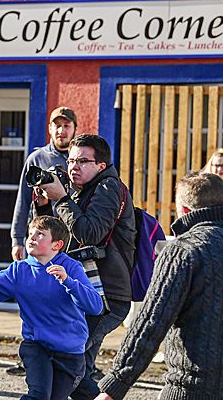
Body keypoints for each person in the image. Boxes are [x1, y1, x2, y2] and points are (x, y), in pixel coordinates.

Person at [95, 172, 223, 400]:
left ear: (184, 210)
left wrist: (115, 383)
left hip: (190, 387)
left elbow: (151, 322)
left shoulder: (183, 251)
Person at [34, 134, 135, 400]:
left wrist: (61, 200)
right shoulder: (82, 191)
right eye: (70, 160)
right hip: (85, 291)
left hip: (106, 295)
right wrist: (45, 205)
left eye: (82, 161)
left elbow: (89, 233)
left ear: (101, 165)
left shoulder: (108, 188)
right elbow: (56, 239)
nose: (73, 167)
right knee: (80, 368)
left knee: (68, 361)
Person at [0, 216, 103, 400]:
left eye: (40, 234)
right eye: (30, 233)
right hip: (37, 346)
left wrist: (68, 281)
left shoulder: (71, 267)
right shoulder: (19, 270)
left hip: (70, 352)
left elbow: (95, 306)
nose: (31, 238)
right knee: (38, 396)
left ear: (57, 245)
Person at [11, 108, 77, 262]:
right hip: (42, 240)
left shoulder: (80, 159)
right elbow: (23, 201)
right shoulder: (36, 159)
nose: (61, 130)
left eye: (66, 125)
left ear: (75, 129)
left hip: (75, 237)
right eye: (57, 125)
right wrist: (17, 240)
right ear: (49, 128)